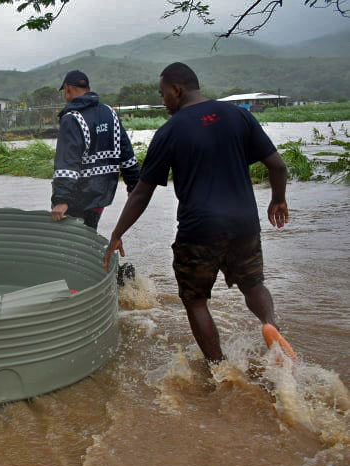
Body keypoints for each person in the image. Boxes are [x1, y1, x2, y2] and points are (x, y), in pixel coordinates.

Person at [103, 62, 290, 367]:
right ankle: (270, 325)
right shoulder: (239, 115)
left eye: (164, 94)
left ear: (177, 90)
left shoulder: (170, 131)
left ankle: (218, 370)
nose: (164, 102)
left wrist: (117, 233)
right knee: (253, 284)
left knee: (195, 300)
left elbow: (142, 192)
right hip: (244, 223)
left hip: (199, 229)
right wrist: (278, 200)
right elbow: (278, 166)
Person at [51, 70, 140, 229]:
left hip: (77, 197)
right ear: (89, 88)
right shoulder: (109, 112)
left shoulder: (71, 118)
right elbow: (127, 154)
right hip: (102, 196)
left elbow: (67, 163)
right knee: (89, 235)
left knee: (71, 246)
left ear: (68, 89)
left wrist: (61, 200)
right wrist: (134, 186)